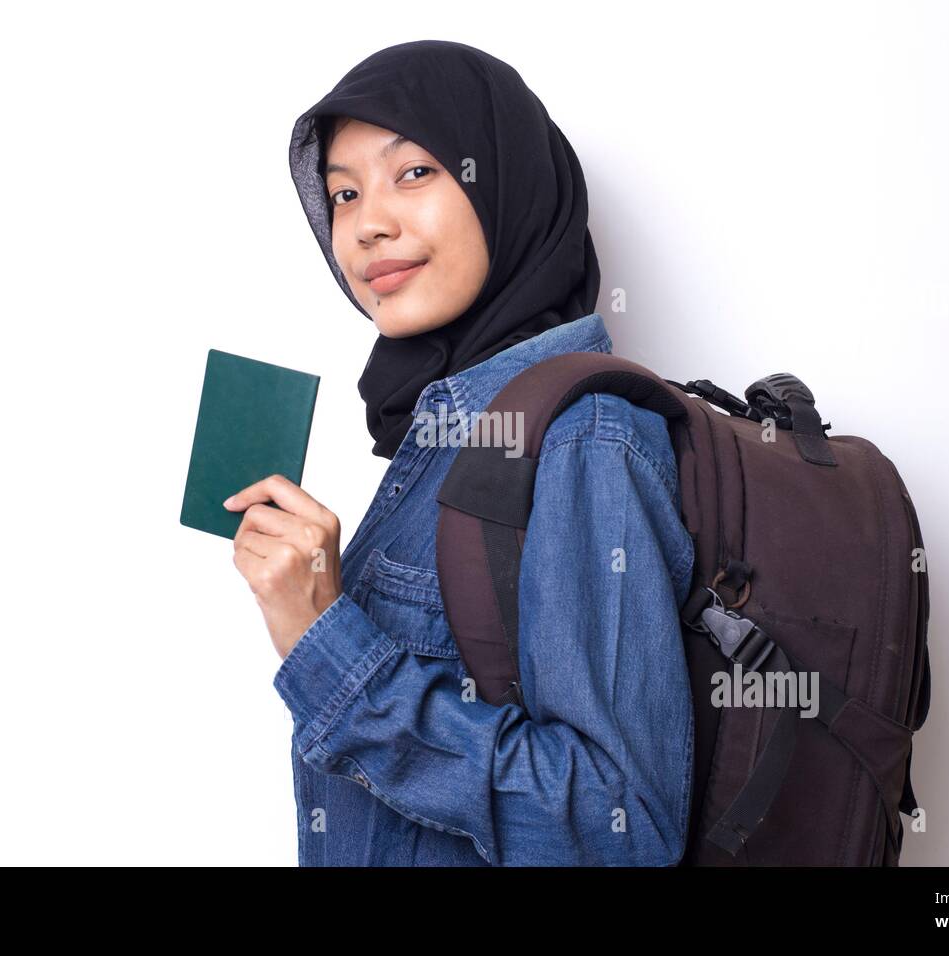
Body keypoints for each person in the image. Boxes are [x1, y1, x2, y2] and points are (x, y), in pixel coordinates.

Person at [222, 39, 695, 866]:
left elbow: (621, 829)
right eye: (342, 192)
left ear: (507, 184)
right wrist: (325, 601)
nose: (367, 224)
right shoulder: (446, 428)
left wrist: (328, 646)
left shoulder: (582, 440)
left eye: (414, 173)